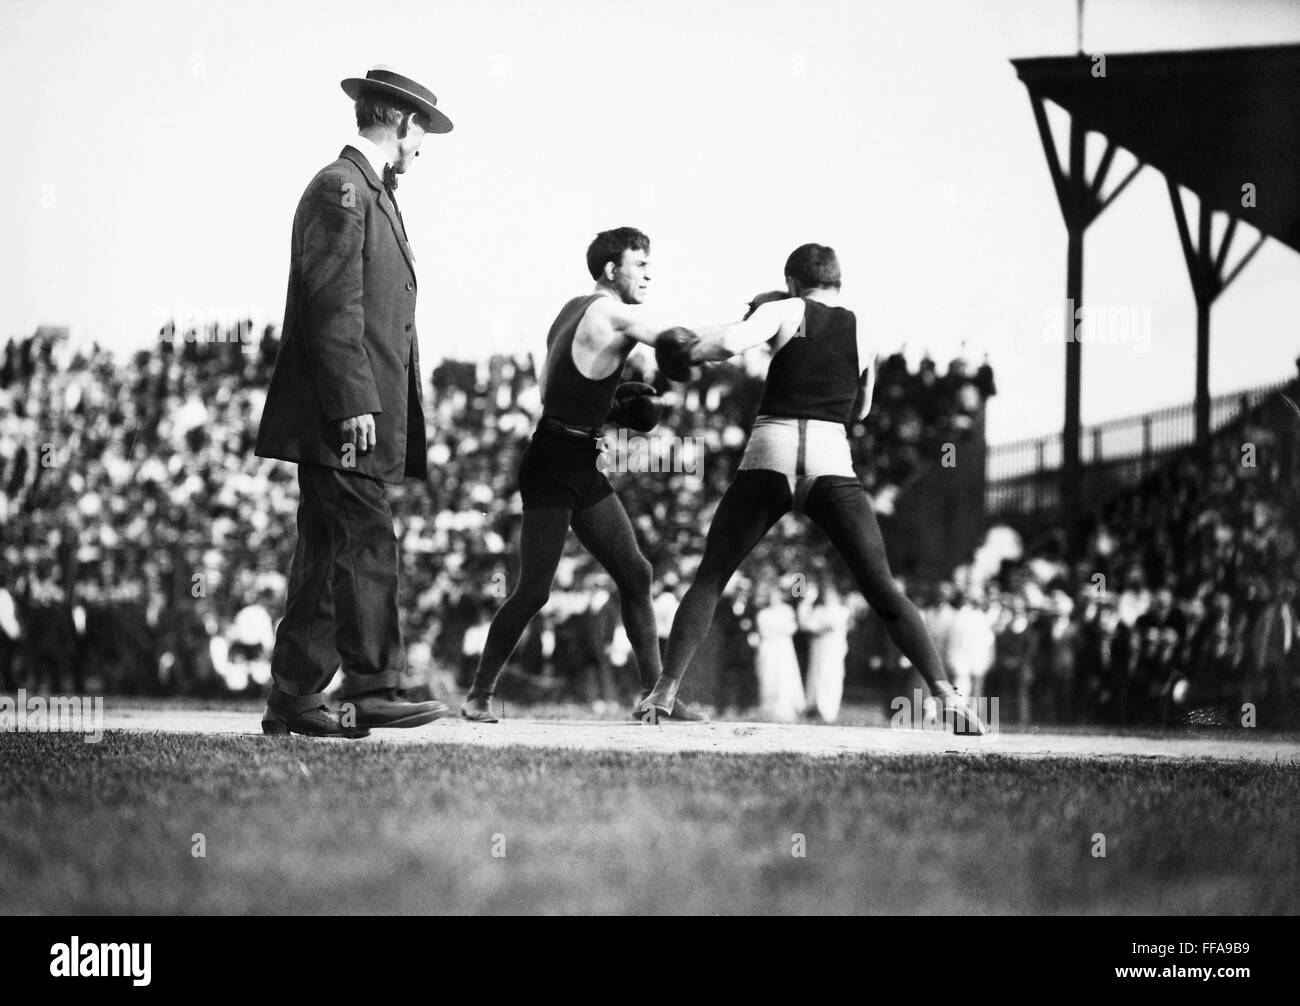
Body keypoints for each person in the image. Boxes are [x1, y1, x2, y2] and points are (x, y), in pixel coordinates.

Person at [638, 243, 985, 733]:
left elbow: (725, 345)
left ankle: (664, 691)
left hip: (771, 450)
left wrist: (686, 346)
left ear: (792, 281)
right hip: (829, 455)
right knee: (881, 585)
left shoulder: (784, 308)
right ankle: (948, 697)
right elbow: (861, 410)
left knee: (712, 576)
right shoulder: (863, 328)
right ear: (838, 282)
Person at [254, 67, 455, 738]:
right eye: (423, 127)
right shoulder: (341, 188)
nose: (424, 143)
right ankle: (371, 686)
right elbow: (330, 301)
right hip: (346, 413)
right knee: (365, 536)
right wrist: (354, 403)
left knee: (323, 547)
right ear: (399, 121)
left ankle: (295, 696)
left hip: (351, 408)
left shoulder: (369, 191)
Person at [459, 228, 709, 722]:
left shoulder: (571, 310)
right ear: (611, 270)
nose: (649, 273)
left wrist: (612, 409)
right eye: (640, 264)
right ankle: (478, 695)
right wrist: (743, 334)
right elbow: (679, 344)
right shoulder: (614, 311)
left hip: (571, 451)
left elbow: (558, 391)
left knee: (636, 573)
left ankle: (654, 697)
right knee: (533, 590)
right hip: (557, 460)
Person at [798, 581, 852, 722]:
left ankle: (829, 710)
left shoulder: (842, 611)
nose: (828, 596)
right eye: (827, 594)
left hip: (833, 649)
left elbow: (827, 626)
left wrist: (816, 627)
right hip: (819, 648)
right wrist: (807, 601)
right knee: (816, 676)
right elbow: (806, 624)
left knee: (831, 676)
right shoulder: (820, 610)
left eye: (831, 594)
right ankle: (814, 706)